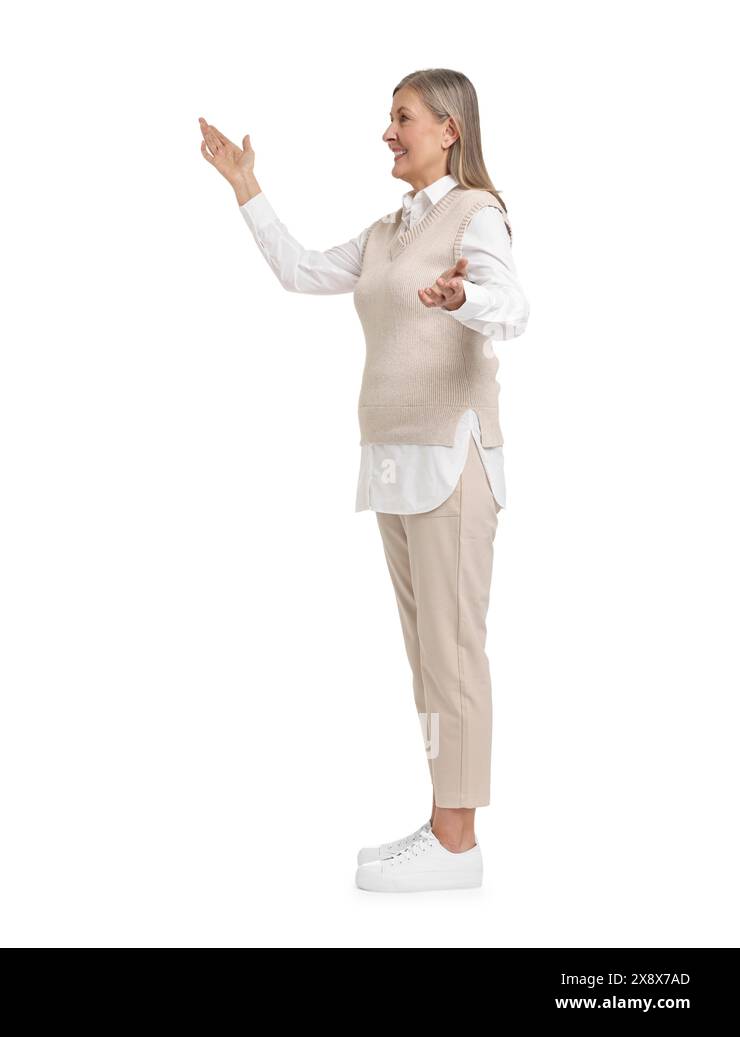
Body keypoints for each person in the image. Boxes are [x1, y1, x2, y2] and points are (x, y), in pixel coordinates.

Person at [199, 67, 529, 892]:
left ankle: (459, 846)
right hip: (394, 462)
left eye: (403, 118)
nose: (388, 132)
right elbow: (303, 271)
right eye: (389, 118)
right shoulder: (389, 230)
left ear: (448, 129)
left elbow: (513, 307)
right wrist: (247, 190)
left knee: (455, 653)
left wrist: (462, 296)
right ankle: (442, 822)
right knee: (426, 657)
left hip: (454, 461)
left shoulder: (474, 214)